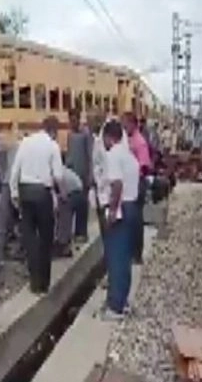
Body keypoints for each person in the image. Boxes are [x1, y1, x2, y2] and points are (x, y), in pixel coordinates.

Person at [9, 116, 64, 294]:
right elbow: (58, 176)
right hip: (42, 194)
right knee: (46, 239)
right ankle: (44, 284)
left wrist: (14, 194)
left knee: (30, 239)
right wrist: (62, 195)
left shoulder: (25, 142)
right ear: (54, 131)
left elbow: (15, 170)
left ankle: (34, 282)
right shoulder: (52, 146)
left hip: (25, 192)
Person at [99, 120, 140, 321]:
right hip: (132, 207)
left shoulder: (113, 154)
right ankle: (122, 302)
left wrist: (113, 211)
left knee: (115, 256)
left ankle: (114, 307)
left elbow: (116, 184)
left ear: (109, 137)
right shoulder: (128, 155)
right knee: (124, 258)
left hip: (121, 209)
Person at [0, 127, 22, 288]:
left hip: (5, 187)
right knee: (26, 225)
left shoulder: (5, 147)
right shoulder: (22, 147)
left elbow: (0, 169)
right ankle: (29, 267)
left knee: (0, 232)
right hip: (18, 186)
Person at [122, 113, 151, 265]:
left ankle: (137, 254)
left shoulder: (139, 142)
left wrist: (135, 177)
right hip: (130, 183)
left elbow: (145, 165)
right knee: (130, 220)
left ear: (133, 124)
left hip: (137, 183)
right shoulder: (127, 140)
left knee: (135, 220)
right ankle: (132, 252)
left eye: (126, 124)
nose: (124, 126)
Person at [65, 108, 92, 244]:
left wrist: (90, 175)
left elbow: (90, 155)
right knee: (72, 203)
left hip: (83, 174)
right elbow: (69, 153)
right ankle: (72, 232)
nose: (72, 122)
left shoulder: (86, 134)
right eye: (70, 119)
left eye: (74, 119)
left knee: (83, 205)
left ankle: (82, 232)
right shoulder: (70, 135)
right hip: (72, 174)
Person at [54, 164, 84, 258]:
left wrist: (61, 198)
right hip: (79, 193)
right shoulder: (62, 169)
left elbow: (62, 190)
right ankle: (64, 242)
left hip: (74, 193)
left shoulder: (56, 171)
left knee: (64, 213)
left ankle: (63, 244)